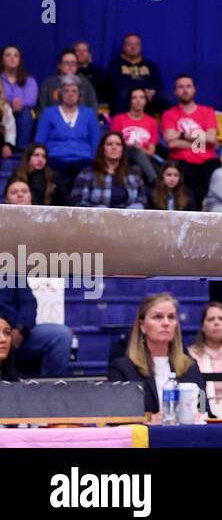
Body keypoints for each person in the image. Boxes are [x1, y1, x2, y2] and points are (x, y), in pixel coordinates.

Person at [106, 293, 206, 417]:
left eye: (171, 317)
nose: (166, 323)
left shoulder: (190, 366)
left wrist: (200, 415)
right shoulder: (123, 368)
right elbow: (115, 416)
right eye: (158, 317)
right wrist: (149, 420)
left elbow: (204, 407)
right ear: (142, 326)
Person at [0, 215, 73, 377]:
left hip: (12, 336)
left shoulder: (8, 268)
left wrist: (20, 329)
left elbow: (29, 303)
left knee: (60, 336)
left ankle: (48, 395)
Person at [34, 77, 99, 195]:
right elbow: (39, 142)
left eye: (74, 91)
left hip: (83, 162)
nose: (70, 94)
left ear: (79, 94)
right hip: (55, 161)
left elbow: (95, 142)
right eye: (66, 91)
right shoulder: (48, 113)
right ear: (60, 93)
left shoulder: (89, 114)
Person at [161, 74, 220, 205]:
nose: (185, 90)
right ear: (175, 91)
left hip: (207, 162)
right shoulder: (168, 114)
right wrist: (201, 140)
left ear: (194, 89)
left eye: (188, 86)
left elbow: (211, 138)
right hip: (182, 162)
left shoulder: (207, 111)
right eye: (181, 87)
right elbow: (171, 143)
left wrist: (181, 135)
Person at [68, 132, 146, 209]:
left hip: (127, 217)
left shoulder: (134, 173)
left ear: (123, 149)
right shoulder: (87, 173)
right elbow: (78, 201)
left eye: (118, 144)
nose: (114, 147)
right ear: (102, 148)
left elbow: (142, 199)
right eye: (109, 144)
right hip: (98, 218)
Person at [109, 86, 161, 184]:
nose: (138, 101)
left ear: (146, 101)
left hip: (144, 159)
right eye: (134, 98)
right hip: (123, 157)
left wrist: (141, 149)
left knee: (138, 161)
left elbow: (151, 151)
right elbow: (113, 144)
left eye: (141, 98)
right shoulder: (118, 119)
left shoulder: (152, 122)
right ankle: (155, 181)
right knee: (134, 151)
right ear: (129, 101)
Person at [104, 33, 164, 115]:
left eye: (136, 44)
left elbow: (158, 83)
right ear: (123, 47)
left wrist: (152, 90)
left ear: (140, 47)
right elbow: (114, 83)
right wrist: (142, 89)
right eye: (130, 44)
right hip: (126, 97)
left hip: (148, 98)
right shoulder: (115, 64)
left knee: (164, 99)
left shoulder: (150, 65)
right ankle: (120, 125)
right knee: (123, 94)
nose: (133, 47)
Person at [1, 45, 39, 148]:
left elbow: (32, 100)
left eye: (16, 55)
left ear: (20, 60)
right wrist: (11, 102)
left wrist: (19, 103)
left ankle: (21, 150)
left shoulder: (29, 80)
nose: (12, 58)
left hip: (22, 112)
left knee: (27, 112)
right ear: (2, 60)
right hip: (3, 112)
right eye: (8, 55)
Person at [72, 40, 112, 106]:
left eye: (84, 51)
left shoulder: (97, 71)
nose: (81, 53)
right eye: (78, 51)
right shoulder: (69, 71)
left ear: (89, 54)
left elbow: (104, 93)